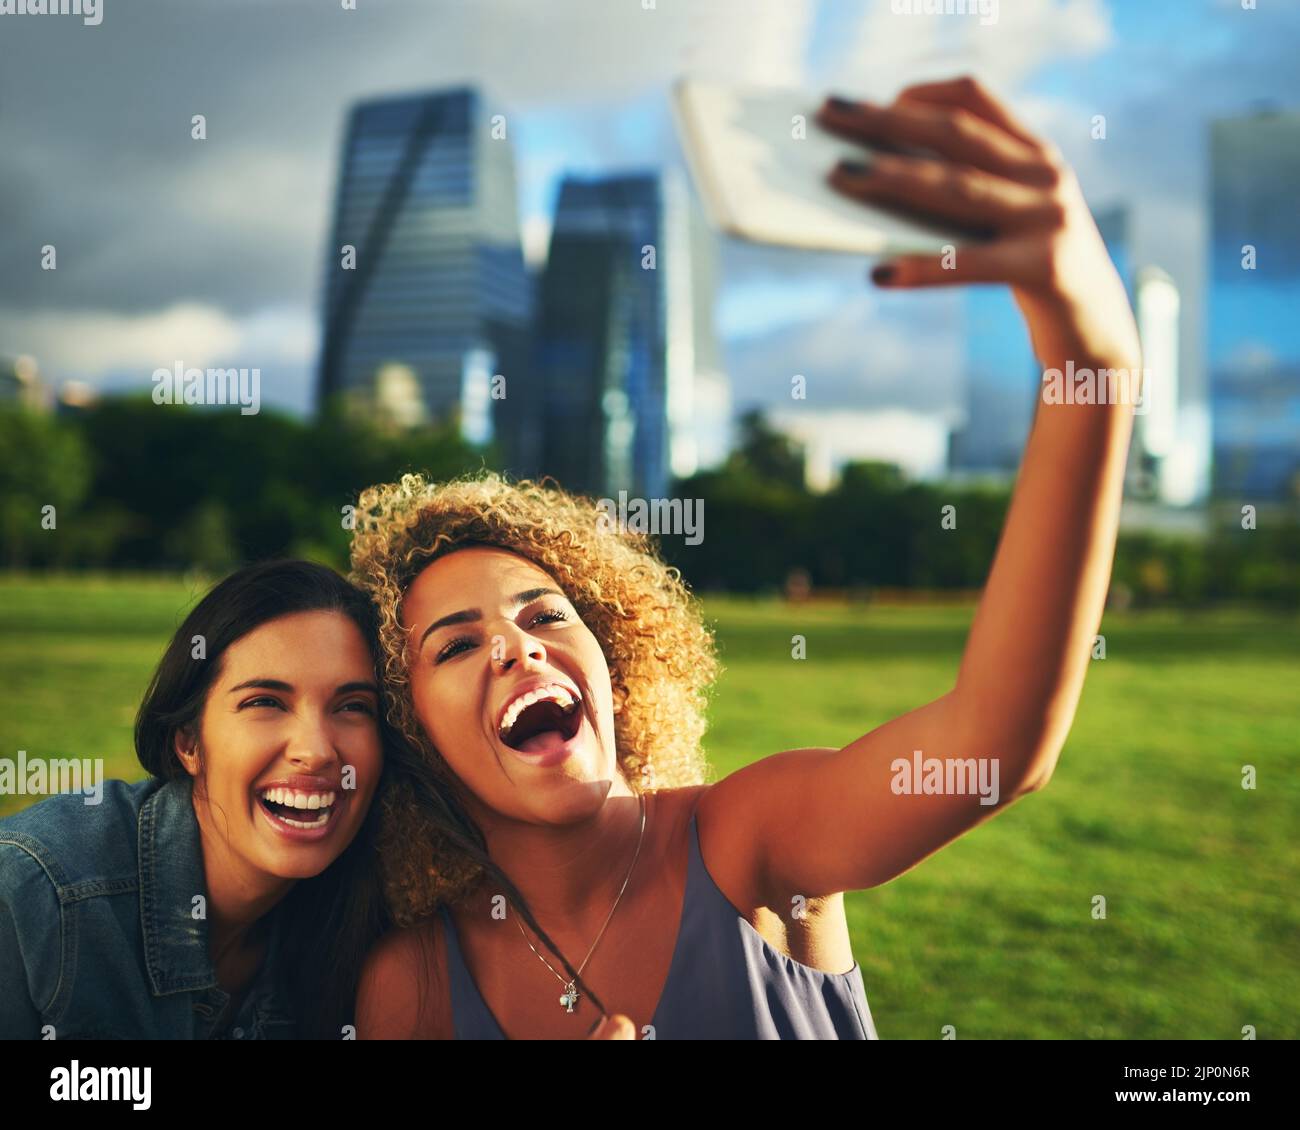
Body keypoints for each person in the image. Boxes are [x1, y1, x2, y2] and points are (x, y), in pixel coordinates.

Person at [352, 75, 1141, 1039]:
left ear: (615, 658)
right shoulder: (410, 987)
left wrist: (1092, 362)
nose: (519, 649)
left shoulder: (750, 842)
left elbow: (989, 750)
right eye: (455, 646)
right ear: (409, 728)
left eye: (546, 613)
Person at [0, 560, 392, 1038]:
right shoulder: (32, 895)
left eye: (353, 706)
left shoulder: (374, 927)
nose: (315, 751)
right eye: (264, 702)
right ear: (188, 743)